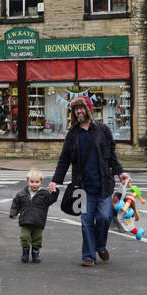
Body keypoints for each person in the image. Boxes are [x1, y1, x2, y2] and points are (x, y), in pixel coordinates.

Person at [48, 95, 128, 268]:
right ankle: (88, 256)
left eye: (82, 107)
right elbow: (64, 160)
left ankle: (100, 246)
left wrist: (120, 172)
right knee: (86, 222)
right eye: (76, 109)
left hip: (104, 184)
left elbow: (112, 155)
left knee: (105, 217)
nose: (79, 111)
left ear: (89, 109)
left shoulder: (103, 130)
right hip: (82, 187)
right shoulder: (72, 134)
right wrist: (56, 180)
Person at [10, 169, 56, 263]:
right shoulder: (21, 194)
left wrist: (54, 192)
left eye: (37, 182)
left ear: (41, 182)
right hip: (25, 221)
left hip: (38, 222)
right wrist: (13, 213)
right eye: (32, 182)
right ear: (27, 181)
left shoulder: (45, 194)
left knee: (37, 239)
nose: (34, 184)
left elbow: (51, 200)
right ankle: (25, 253)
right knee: (24, 237)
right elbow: (16, 204)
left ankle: (35, 254)